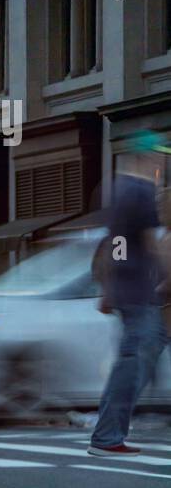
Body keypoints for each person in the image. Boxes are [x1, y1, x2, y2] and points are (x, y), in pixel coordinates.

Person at [89, 136, 169, 456]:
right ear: (149, 159)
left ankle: (108, 433)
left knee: (135, 359)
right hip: (141, 292)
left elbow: (111, 245)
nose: (161, 164)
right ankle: (107, 436)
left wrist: (108, 290)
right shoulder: (144, 192)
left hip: (126, 292)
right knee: (132, 364)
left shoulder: (114, 190)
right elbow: (151, 244)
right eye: (160, 157)